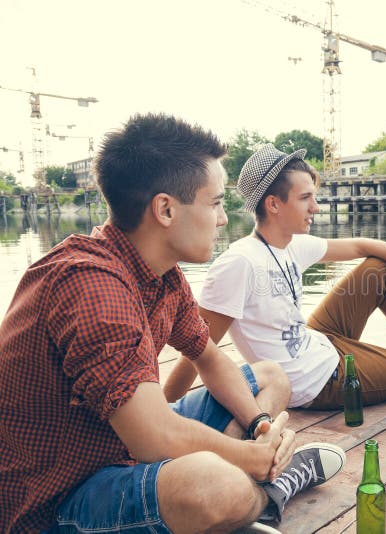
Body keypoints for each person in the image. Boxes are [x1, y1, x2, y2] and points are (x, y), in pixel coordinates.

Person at [0, 114, 345, 533]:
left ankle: (246, 486)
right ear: (165, 209)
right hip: (61, 497)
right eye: (215, 203)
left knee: (271, 376)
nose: (223, 219)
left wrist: (260, 426)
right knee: (210, 483)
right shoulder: (90, 284)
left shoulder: (161, 273)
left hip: (120, 449)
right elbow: (153, 438)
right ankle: (272, 489)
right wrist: (250, 457)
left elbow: (209, 358)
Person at [162, 143, 386, 410]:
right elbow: (197, 351)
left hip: (318, 343)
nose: (315, 207)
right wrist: (165, 413)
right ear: (274, 204)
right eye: (305, 198)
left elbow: (362, 245)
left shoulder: (291, 244)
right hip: (317, 382)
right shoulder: (240, 263)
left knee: (377, 269)